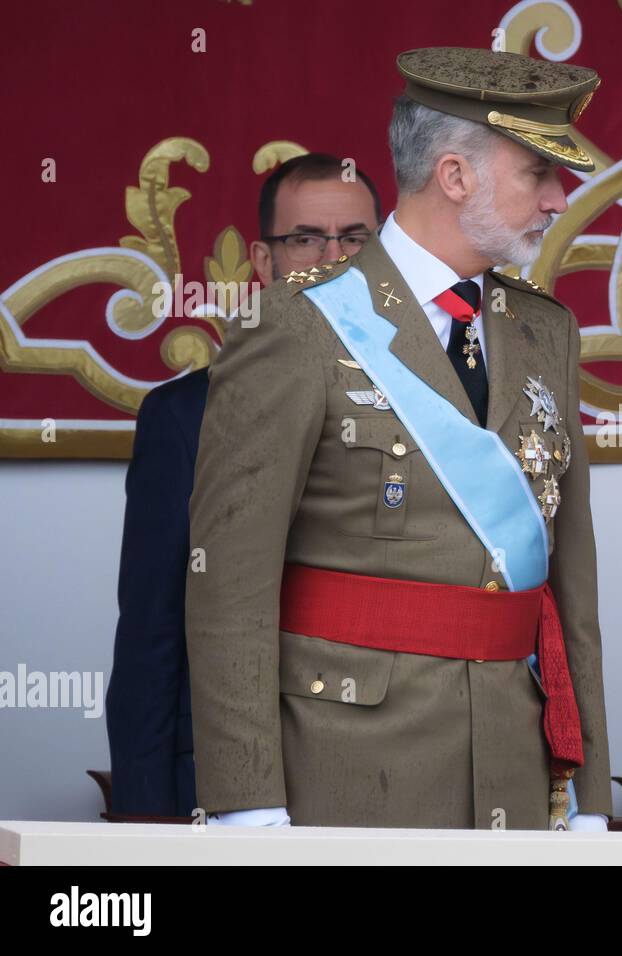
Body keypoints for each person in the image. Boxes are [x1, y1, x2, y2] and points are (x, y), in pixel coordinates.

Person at [185, 46, 612, 830]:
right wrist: (249, 807)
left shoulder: (546, 330)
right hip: (347, 767)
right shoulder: (298, 323)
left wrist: (588, 798)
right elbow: (228, 587)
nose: (559, 198)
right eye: (537, 174)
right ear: (455, 177)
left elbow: (569, 585)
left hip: (517, 770)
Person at [104, 153, 381, 818]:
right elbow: (150, 641)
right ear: (263, 262)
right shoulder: (184, 419)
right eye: (306, 239)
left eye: (356, 239)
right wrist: (145, 826)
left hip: (384, 776)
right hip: (228, 792)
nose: (333, 258)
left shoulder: (438, 412)